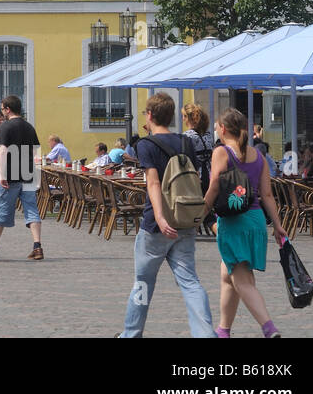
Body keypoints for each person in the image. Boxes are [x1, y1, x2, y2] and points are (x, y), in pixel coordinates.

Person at [119, 93, 215, 338]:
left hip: (156, 225)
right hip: (184, 220)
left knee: (143, 283)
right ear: (172, 116)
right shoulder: (186, 142)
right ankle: (205, 334)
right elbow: (195, 179)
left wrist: (160, 218)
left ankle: (131, 334)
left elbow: (153, 183)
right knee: (190, 282)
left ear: (150, 115)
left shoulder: (146, 145)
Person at [203, 109, 288, 338]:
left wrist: (199, 214)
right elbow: (267, 195)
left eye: (217, 127)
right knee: (227, 276)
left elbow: (214, 187)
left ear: (223, 129)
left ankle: (268, 327)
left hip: (234, 223)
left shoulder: (221, 152)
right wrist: (277, 225)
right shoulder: (258, 156)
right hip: (256, 221)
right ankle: (224, 330)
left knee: (242, 281)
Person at [0, 95, 43, 260]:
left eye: (2, 109)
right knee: (32, 209)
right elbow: (35, 152)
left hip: (10, 175)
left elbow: (2, 151)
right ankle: (37, 246)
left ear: (8, 109)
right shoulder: (29, 127)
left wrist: (2, 175)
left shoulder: (6, 127)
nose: (2, 112)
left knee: (1, 208)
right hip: (28, 174)